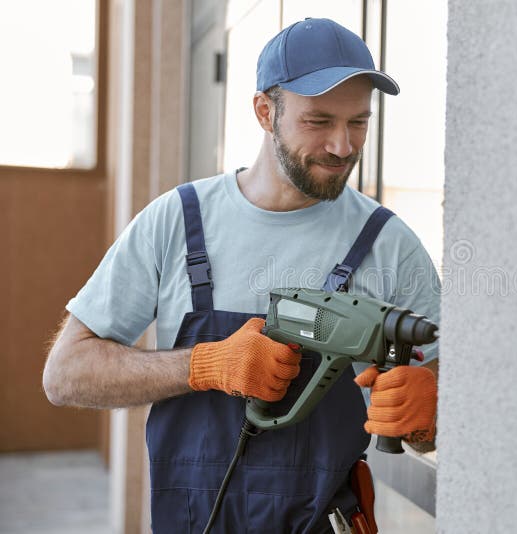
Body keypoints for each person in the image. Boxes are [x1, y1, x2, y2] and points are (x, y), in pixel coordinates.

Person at [43, 18, 440, 534]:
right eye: (319, 121)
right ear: (264, 111)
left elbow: (445, 400)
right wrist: (204, 365)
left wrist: (433, 409)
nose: (343, 147)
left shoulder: (388, 243)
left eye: (359, 123)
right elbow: (65, 373)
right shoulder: (178, 222)